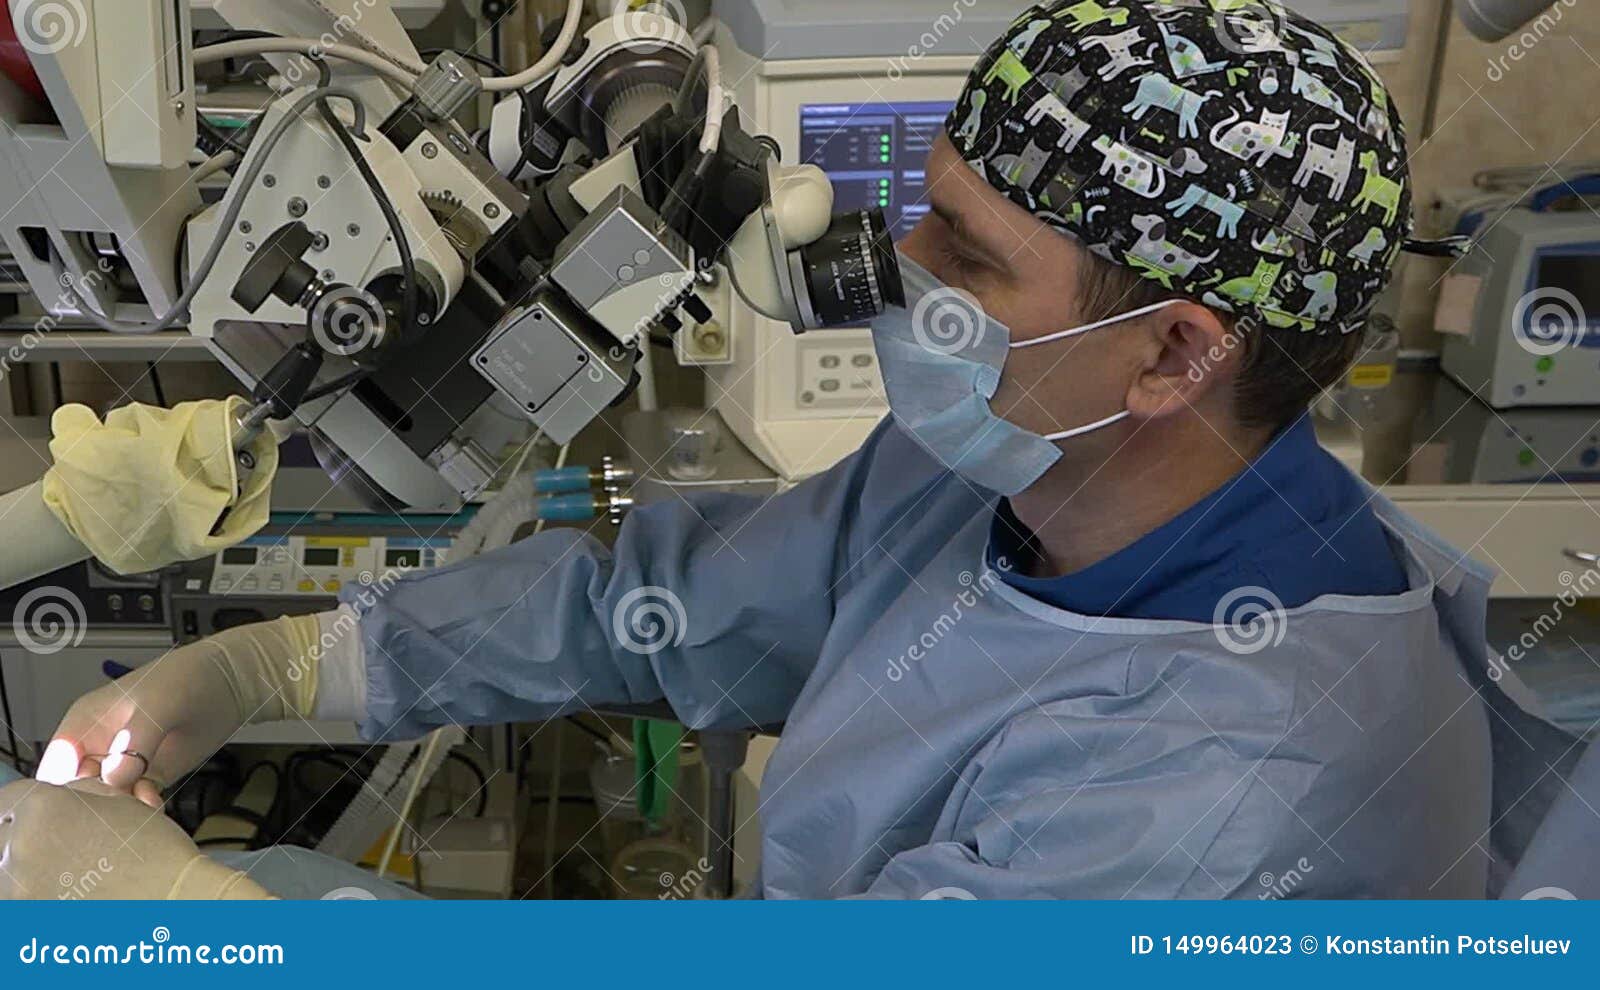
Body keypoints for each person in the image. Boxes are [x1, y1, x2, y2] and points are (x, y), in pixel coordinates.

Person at [13, 0, 1497, 899]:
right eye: (922, 208)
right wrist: (272, 670)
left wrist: (217, 924)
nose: (893, 265)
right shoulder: (1009, 472)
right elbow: (648, 606)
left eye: (967, 255)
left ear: (1175, 353)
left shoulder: (1228, 797)